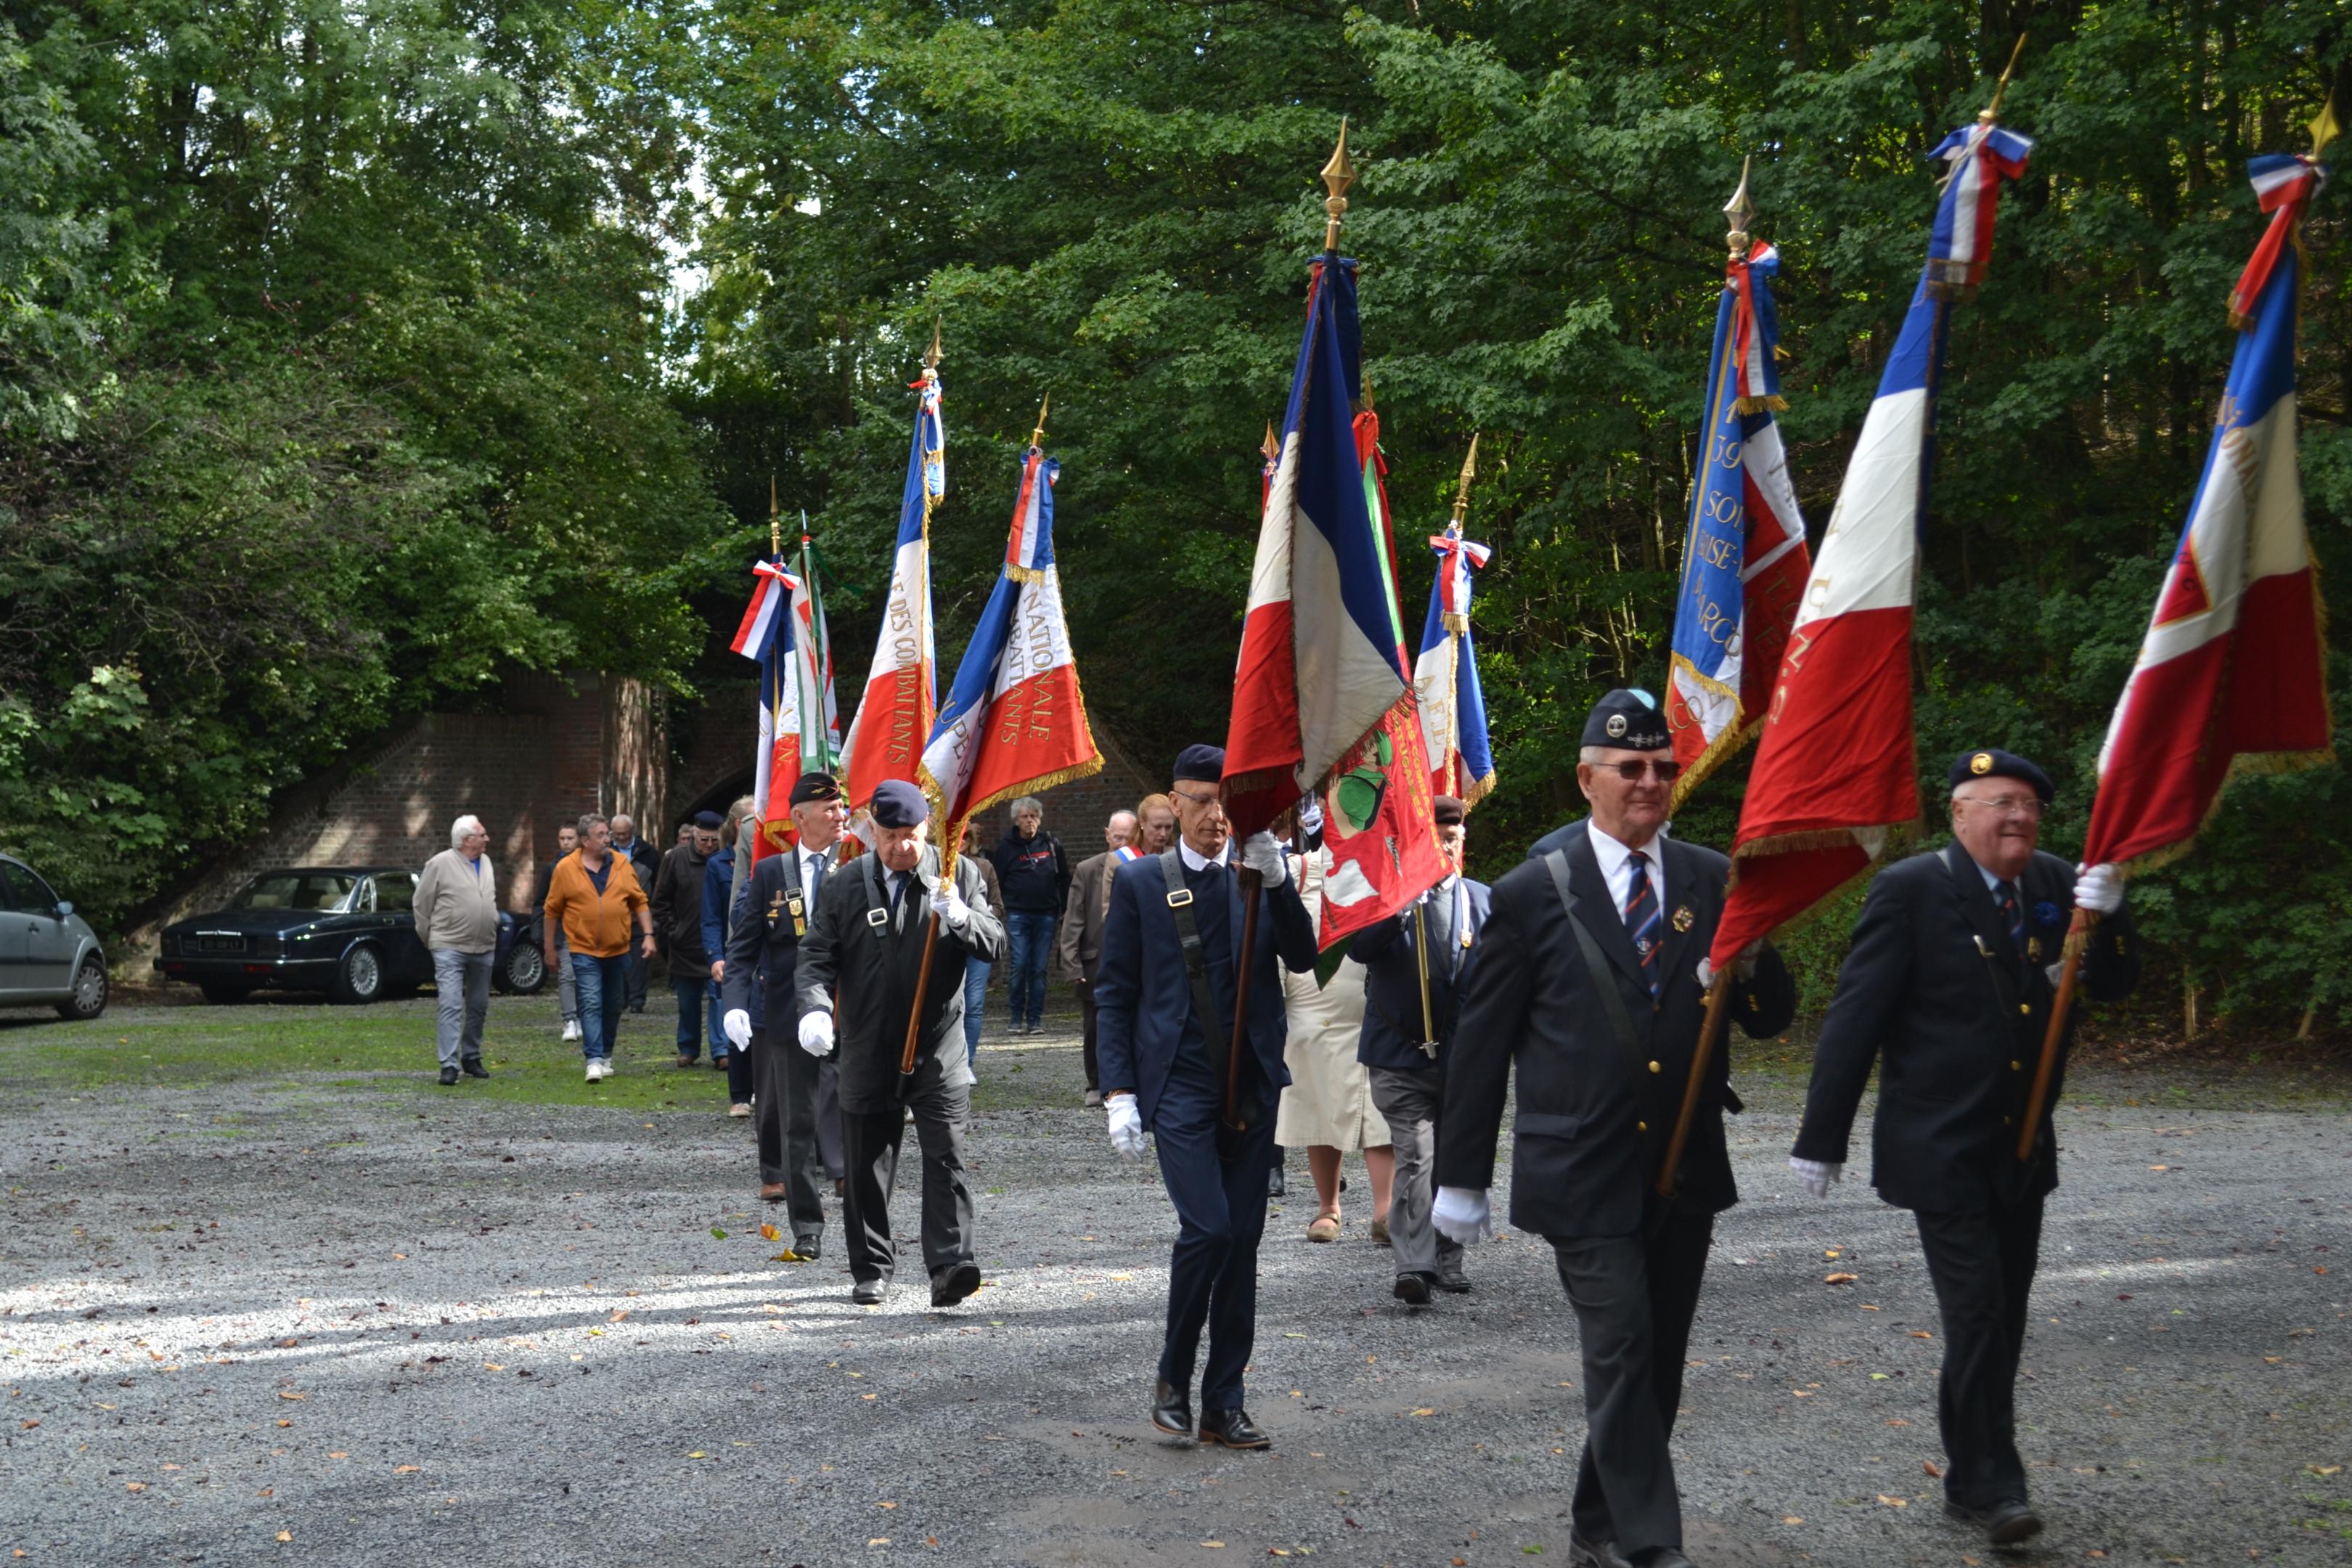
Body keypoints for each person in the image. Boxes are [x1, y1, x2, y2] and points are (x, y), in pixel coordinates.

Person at [1434, 690, 1798, 1568]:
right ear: (1587, 778)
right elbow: (1481, 1044)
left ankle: (1595, 1524)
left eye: (1663, 769)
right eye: (1630, 768)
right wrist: (1460, 1179)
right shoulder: (1530, 893)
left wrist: (1750, 958)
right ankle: (1648, 1542)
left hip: (1684, 1162)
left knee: (1658, 1359)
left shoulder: (1715, 879)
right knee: (1625, 1343)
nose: (1649, 783)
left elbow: (1773, 1016)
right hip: (1581, 1168)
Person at [1790, 748, 2137, 1551]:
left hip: (2021, 1147)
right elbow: (1857, 1015)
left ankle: (1965, 1474)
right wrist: (1823, 1135)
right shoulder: (1913, 890)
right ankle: (1997, 1483)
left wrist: (2112, 914)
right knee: (1977, 1313)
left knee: (2003, 1319)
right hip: (1939, 1145)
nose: (2017, 818)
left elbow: (2113, 987)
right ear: (1958, 813)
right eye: (2000, 803)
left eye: (2028, 805)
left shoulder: (2056, 884)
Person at [1094, 745, 1318, 1450]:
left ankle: (1224, 1402)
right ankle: (1171, 1377)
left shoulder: (1256, 876)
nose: (1214, 816)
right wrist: (1119, 1091)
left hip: (1251, 1081)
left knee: (1244, 1244)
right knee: (1210, 1228)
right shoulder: (1140, 886)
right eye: (1199, 801)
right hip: (1182, 1084)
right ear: (1174, 803)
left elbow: (1305, 954)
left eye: (1224, 802)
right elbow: (1115, 993)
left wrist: (1280, 880)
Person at [794, 780, 1006, 1307]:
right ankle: (871, 1267)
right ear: (871, 830)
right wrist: (816, 1010)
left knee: (947, 1157)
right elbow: (816, 955)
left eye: (910, 836)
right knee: (866, 1161)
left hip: (939, 1046)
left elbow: (996, 942)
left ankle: (951, 1266)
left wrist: (960, 917)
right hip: (867, 1042)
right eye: (889, 836)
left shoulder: (960, 873)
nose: (900, 847)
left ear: (926, 828)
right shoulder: (846, 884)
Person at [1349, 794, 1490, 1302]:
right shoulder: (1386, 896)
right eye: (1434, 840)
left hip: (1462, 1059)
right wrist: (1398, 906)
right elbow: (1358, 949)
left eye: (1451, 840)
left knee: (1457, 1157)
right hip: (1397, 1056)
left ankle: (1449, 1261)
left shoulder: (1484, 901)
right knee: (1417, 1156)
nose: (1444, 849)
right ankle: (1413, 1266)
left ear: (1463, 843)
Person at [722, 775, 854, 1250]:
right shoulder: (772, 873)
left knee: (859, 1115)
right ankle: (808, 1228)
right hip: (787, 1016)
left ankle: (863, 1222)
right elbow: (743, 948)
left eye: (842, 807)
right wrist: (734, 1004)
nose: (841, 816)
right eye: (830, 808)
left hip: (851, 1014)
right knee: (797, 1124)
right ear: (800, 816)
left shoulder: (860, 864)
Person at [1274, 806, 1392, 1244]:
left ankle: (1386, 1208)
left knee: (1378, 1114)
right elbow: (1279, 933)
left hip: (1370, 1006)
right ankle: (1328, 1207)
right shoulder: (1298, 869)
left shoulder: (1380, 866)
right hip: (1310, 1008)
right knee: (1319, 1107)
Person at [542, 812, 656, 1080]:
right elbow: (551, 910)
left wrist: (649, 934)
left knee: (614, 1004)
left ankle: (606, 1054)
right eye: (602, 835)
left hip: (618, 948)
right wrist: (549, 949)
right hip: (583, 949)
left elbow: (639, 901)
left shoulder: (620, 864)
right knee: (591, 1002)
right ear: (585, 840)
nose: (609, 839)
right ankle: (593, 1059)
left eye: (608, 834)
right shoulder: (566, 869)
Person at [1057, 809, 1138, 1106]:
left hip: (1133, 959)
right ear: (1107, 835)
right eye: (1117, 837)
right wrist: (1071, 962)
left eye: (1128, 838)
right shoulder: (1088, 869)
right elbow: (1073, 918)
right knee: (1094, 1026)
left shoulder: (1144, 865)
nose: (1122, 843)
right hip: (1095, 960)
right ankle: (1095, 1082)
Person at [416, 814, 500, 1085]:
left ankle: (471, 1056)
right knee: (451, 1003)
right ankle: (448, 1064)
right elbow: (421, 903)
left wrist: (493, 919)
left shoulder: (485, 862)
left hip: (484, 945)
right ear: (467, 840)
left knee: (479, 1005)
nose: (487, 839)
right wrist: (431, 938)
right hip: (449, 945)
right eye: (482, 835)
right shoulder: (440, 864)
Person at [987, 796, 1070, 1034]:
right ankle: (1015, 1016)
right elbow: (997, 881)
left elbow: (1064, 878)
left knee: (1039, 968)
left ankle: (1035, 1018)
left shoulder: (1051, 844)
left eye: (1034, 816)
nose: (1030, 821)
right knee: (1019, 964)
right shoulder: (1006, 847)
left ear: (1040, 819)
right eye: (1025, 817)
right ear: (1017, 820)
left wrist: (1065, 909)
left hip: (1046, 914)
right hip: (1017, 914)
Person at [653, 811, 724, 1071]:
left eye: (713, 841)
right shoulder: (676, 859)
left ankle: (721, 1050)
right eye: (704, 840)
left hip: (717, 945)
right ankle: (688, 1047)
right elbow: (660, 900)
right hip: (685, 944)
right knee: (688, 1003)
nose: (708, 845)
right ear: (694, 834)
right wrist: (674, 930)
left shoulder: (725, 859)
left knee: (720, 999)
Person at [703, 798, 759, 1116]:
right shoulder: (719, 864)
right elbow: (716, 914)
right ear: (741, 825)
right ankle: (740, 1093)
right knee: (739, 1015)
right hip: (738, 943)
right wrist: (718, 955)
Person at [957, 821, 1005, 1068]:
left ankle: (968, 1064)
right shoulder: (936, 866)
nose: (961, 839)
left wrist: (983, 915)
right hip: (948, 944)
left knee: (974, 1004)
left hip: (977, 942)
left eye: (966, 835)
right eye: (957, 834)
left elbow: (998, 906)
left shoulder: (984, 867)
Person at [531, 824, 581, 1042]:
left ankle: (581, 1018)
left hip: (585, 929)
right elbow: (541, 902)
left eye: (570, 838)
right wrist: (540, 932)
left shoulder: (588, 865)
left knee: (585, 977)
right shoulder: (552, 868)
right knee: (567, 975)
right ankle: (570, 1019)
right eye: (562, 838)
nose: (566, 842)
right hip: (562, 930)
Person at [610, 812, 658, 1013]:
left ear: (632, 832)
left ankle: (637, 1000)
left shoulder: (648, 854)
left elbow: (657, 883)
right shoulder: (606, 853)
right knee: (617, 959)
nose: (621, 837)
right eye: (617, 834)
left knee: (639, 961)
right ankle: (620, 998)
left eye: (625, 834)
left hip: (639, 915)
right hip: (614, 916)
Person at [1133, 793, 1177, 857]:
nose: (1163, 834)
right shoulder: (1121, 859)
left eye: (1168, 827)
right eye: (1157, 827)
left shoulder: (1179, 858)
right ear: (1141, 822)